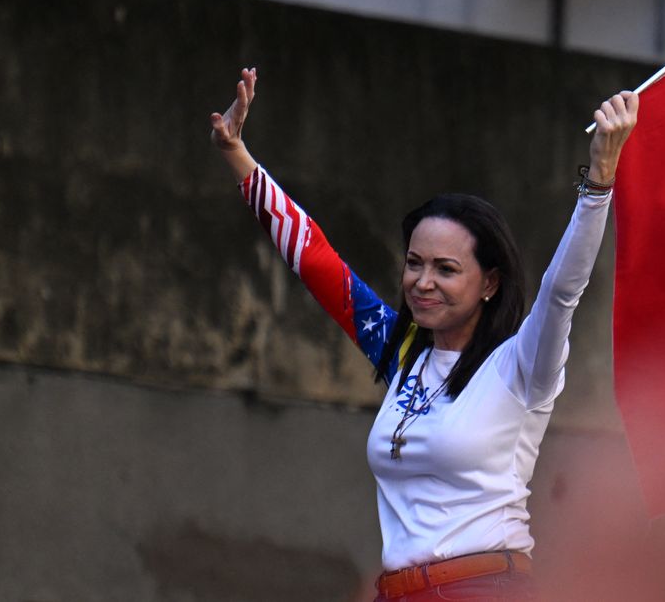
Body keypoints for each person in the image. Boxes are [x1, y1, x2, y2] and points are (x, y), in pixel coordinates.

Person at [210, 67, 637, 601]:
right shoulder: (402, 353)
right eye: (414, 263)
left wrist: (598, 182)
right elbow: (315, 260)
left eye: (446, 269)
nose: (423, 282)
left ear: (490, 282)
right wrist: (235, 152)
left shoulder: (521, 365)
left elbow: (562, 291)